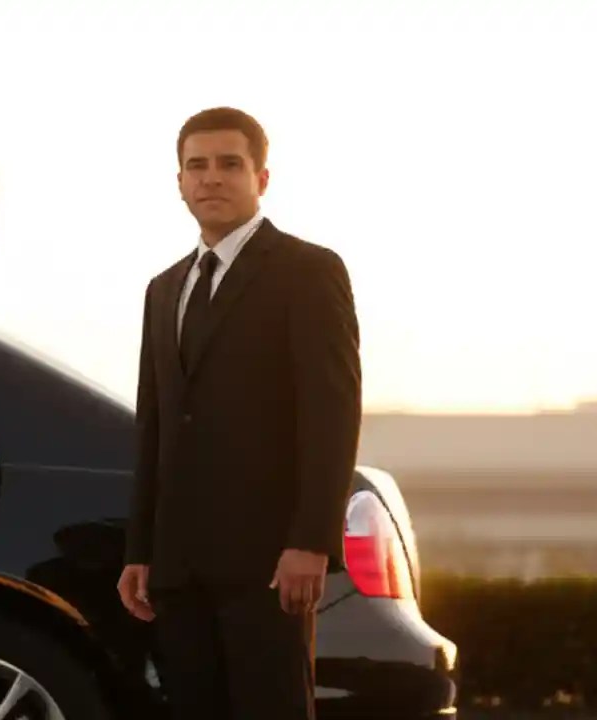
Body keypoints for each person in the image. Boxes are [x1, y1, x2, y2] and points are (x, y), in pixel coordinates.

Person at [117, 106, 362, 719]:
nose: (211, 178)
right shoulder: (163, 289)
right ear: (179, 182)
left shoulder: (308, 272)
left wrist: (310, 542)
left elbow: (331, 416)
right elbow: (154, 426)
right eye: (196, 166)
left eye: (230, 164)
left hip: (269, 563)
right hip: (177, 567)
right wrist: (139, 549)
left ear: (261, 178)